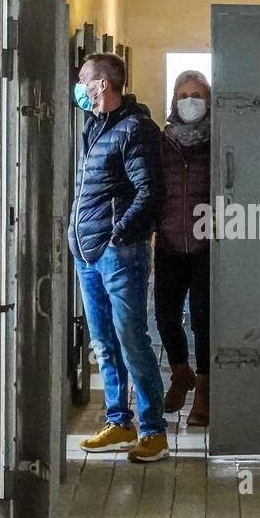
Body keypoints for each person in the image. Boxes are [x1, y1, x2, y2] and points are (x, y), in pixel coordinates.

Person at [68, 52, 168, 461]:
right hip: (88, 255)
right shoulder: (95, 126)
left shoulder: (136, 130)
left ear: (102, 85)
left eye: (83, 80)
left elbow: (151, 192)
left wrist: (118, 235)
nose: (78, 87)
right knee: (104, 343)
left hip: (119, 254)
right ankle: (119, 421)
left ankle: (153, 431)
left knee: (131, 340)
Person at [155, 69, 211, 427]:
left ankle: (204, 390)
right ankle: (180, 371)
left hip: (209, 242)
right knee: (164, 316)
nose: (190, 102)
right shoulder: (162, 141)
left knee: (204, 319)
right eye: (183, 95)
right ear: (174, 100)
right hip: (170, 241)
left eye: (198, 95)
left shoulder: (220, 140)